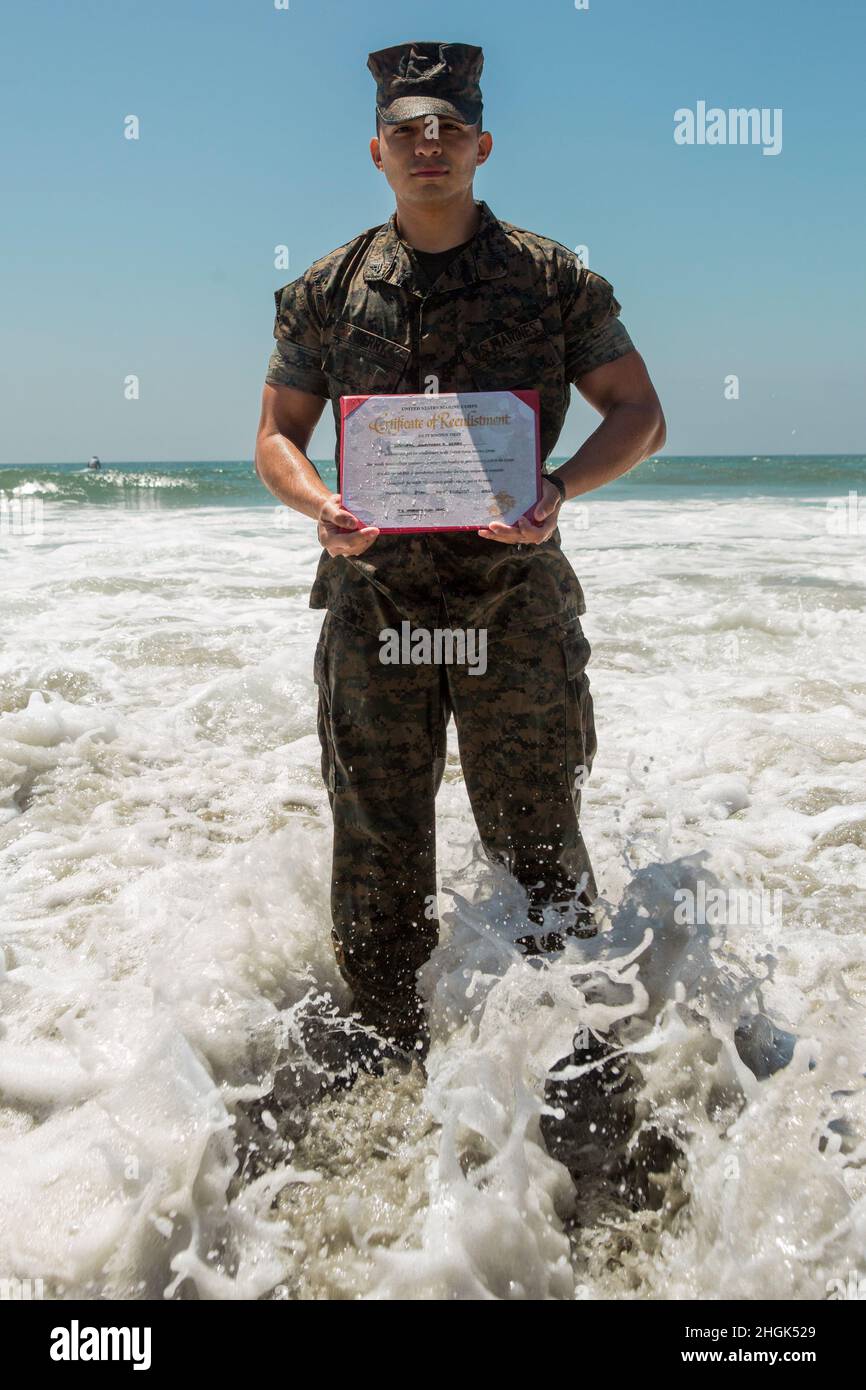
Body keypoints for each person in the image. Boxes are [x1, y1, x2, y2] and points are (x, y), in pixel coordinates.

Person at [254, 41, 666, 1058]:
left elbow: (638, 413)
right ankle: (385, 1057)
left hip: (510, 603)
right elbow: (275, 436)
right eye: (407, 130)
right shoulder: (324, 289)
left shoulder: (554, 279)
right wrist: (320, 505)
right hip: (375, 605)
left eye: (445, 128)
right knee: (377, 846)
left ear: (481, 143)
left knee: (537, 844)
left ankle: (568, 1059)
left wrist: (560, 487)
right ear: (375, 149)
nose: (426, 144)